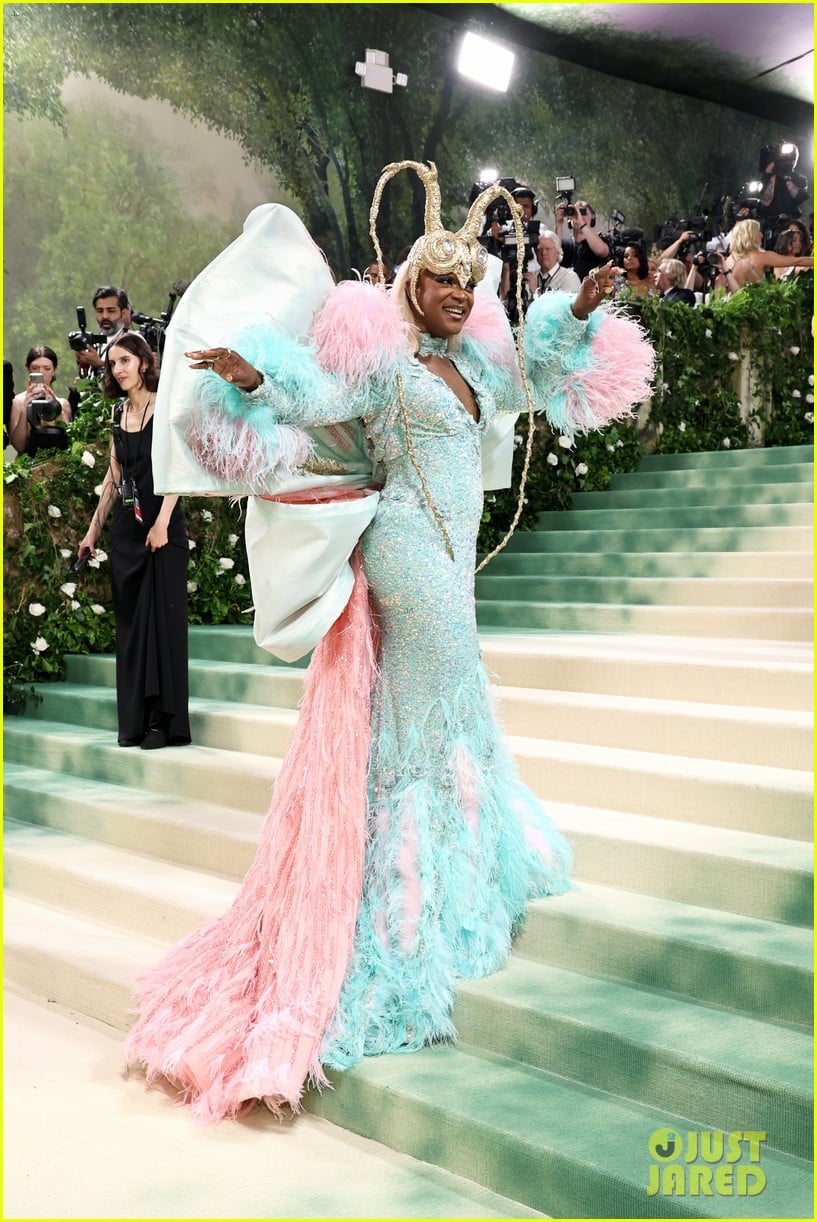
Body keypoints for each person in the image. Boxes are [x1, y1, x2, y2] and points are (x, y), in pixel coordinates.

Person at [123, 161, 654, 1122]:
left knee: (447, 700)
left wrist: (576, 313)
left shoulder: (474, 367)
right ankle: (398, 908)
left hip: (454, 555)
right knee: (422, 706)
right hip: (405, 545)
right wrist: (257, 382)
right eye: (438, 280)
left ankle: (438, 862)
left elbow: (538, 380)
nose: (454, 294)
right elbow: (317, 406)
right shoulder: (386, 366)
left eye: (466, 282)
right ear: (411, 287)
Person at [77, 332, 190, 751]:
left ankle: (166, 723)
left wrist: (162, 523)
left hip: (163, 529)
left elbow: (180, 467)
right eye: (112, 364)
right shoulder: (117, 414)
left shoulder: (167, 407)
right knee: (132, 630)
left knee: (163, 625)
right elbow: (113, 478)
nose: (118, 370)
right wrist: (92, 531)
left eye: (125, 361)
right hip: (127, 532)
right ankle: (136, 721)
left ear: (144, 361)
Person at [714, 218, 814, 293]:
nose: (762, 235)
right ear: (751, 235)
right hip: (754, 313)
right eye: (759, 232)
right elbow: (797, 261)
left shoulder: (729, 260)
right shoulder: (761, 256)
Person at [8, 345, 73, 456]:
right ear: (28, 369)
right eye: (35, 368)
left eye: (47, 368)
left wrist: (55, 408)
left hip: (58, 463)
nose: (41, 372)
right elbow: (19, 445)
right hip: (27, 466)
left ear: (54, 371)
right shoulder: (17, 402)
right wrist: (25, 409)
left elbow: (69, 440)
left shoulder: (63, 404)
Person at [554, 198, 611, 282]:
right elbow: (552, 254)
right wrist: (558, 223)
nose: (580, 216)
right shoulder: (566, 244)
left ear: (592, 219)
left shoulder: (602, 241)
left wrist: (582, 223)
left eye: (584, 213)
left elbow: (601, 251)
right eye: (577, 213)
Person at [526, 229, 581, 295]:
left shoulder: (569, 277)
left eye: (548, 249)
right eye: (539, 249)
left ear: (557, 252)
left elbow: (563, 305)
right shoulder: (532, 278)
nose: (543, 253)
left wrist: (535, 292)